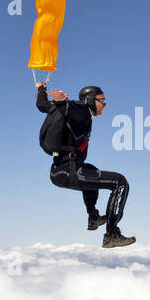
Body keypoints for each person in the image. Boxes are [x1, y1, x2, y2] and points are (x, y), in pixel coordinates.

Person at [35, 83, 135, 248]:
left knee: (92, 171)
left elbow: (42, 105)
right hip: (70, 171)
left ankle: (93, 217)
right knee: (120, 182)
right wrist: (61, 101)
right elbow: (69, 106)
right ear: (90, 100)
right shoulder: (80, 110)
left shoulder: (73, 112)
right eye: (101, 100)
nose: (105, 104)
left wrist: (41, 89)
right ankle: (112, 233)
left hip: (59, 171)